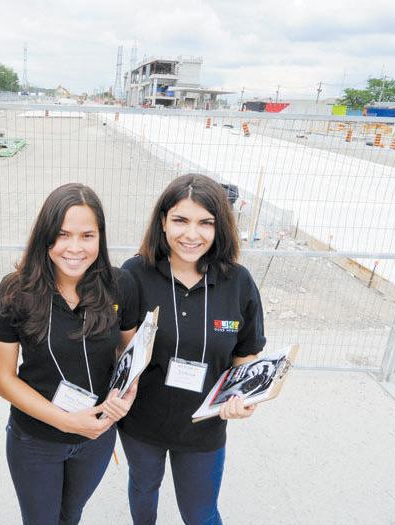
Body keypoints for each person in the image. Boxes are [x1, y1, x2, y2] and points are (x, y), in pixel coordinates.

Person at [119, 174, 267, 525]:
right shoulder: (134, 275)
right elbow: (121, 353)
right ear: (163, 222)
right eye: (180, 220)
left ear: (220, 228)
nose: (191, 234)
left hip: (204, 427)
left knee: (200, 515)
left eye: (205, 223)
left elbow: (245, 357)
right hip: (142, 422)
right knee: (143, 491)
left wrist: (244, 399)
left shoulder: (239, 283)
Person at [0, 183, 140, 524]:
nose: (75, 248)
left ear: (100, 237)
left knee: (71, 515)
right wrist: (68, 421)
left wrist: (128, 394)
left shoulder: (121, 285)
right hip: (36, 440)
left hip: (96, 439)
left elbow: (132, 353)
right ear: (45, 237)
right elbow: (1, 379)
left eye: (87, 235)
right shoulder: (15, 292)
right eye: (62, 235)